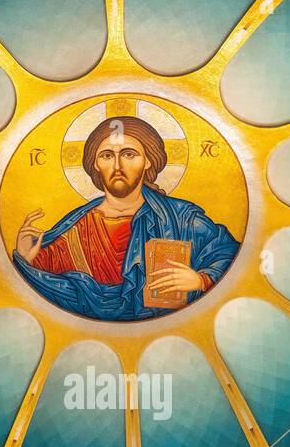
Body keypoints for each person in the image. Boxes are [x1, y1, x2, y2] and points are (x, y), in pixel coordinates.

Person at [14, 116, 239, 320]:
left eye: (129, 154)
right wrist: (27, 259)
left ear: (148, 161)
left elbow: (228, 252)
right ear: (95, 164)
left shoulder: (181, 218)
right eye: (107, 155)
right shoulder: (76, 227)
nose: (117, 165)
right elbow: (46, 285)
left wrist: (201, 280)